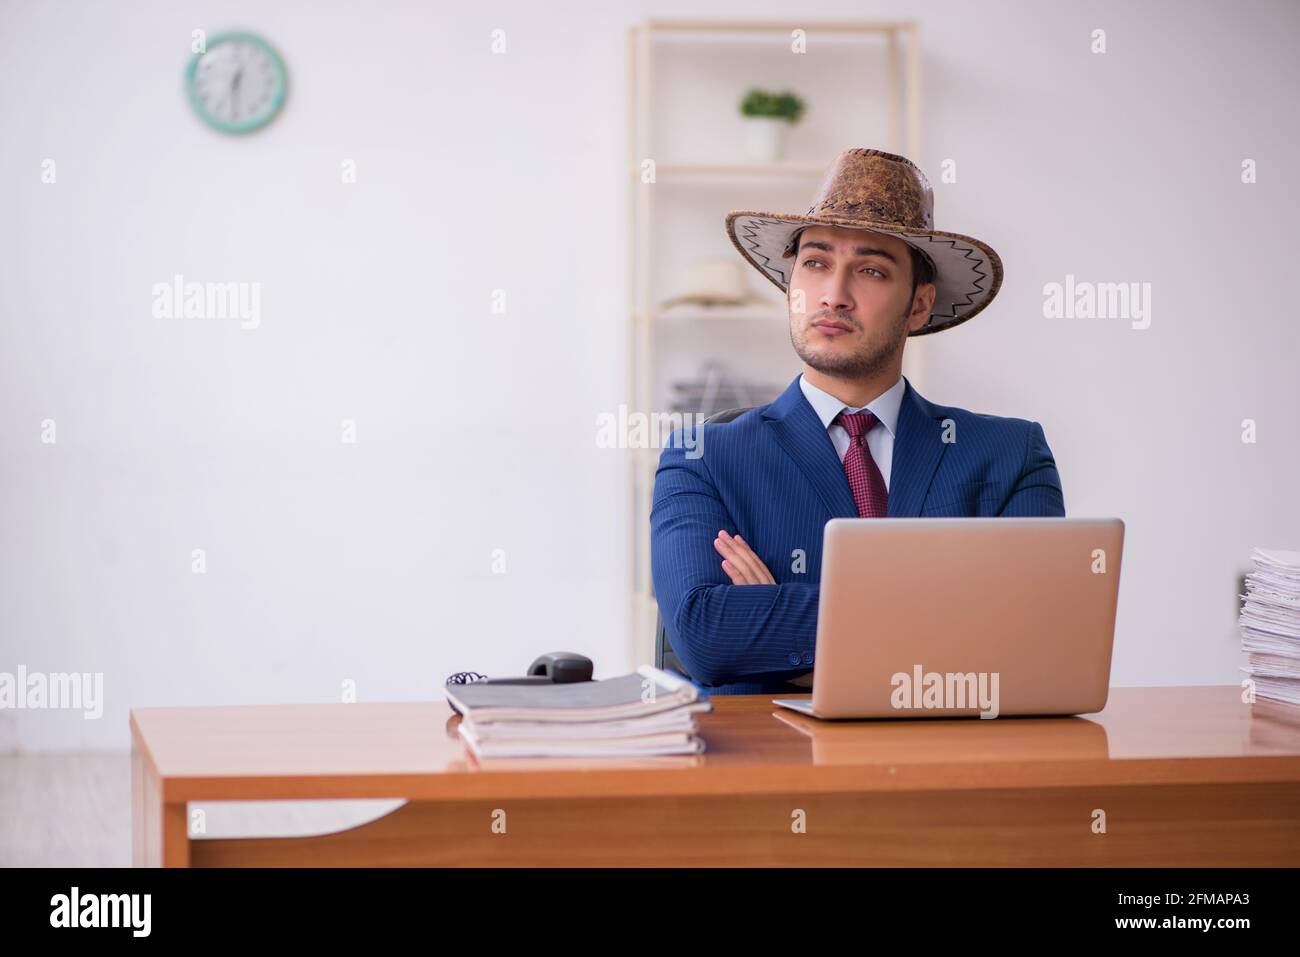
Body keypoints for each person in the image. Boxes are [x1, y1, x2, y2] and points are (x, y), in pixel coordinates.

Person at [650, 148, 1065, 694]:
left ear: (918, 306)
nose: (834, 295)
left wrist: (785, 635)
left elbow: (1037, 640)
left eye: (870, 270)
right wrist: (950, 610)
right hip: (775, 768)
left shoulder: (1010, 454)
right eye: (816, 263)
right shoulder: (703, 458)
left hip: (952, 768)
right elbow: (707, 636)